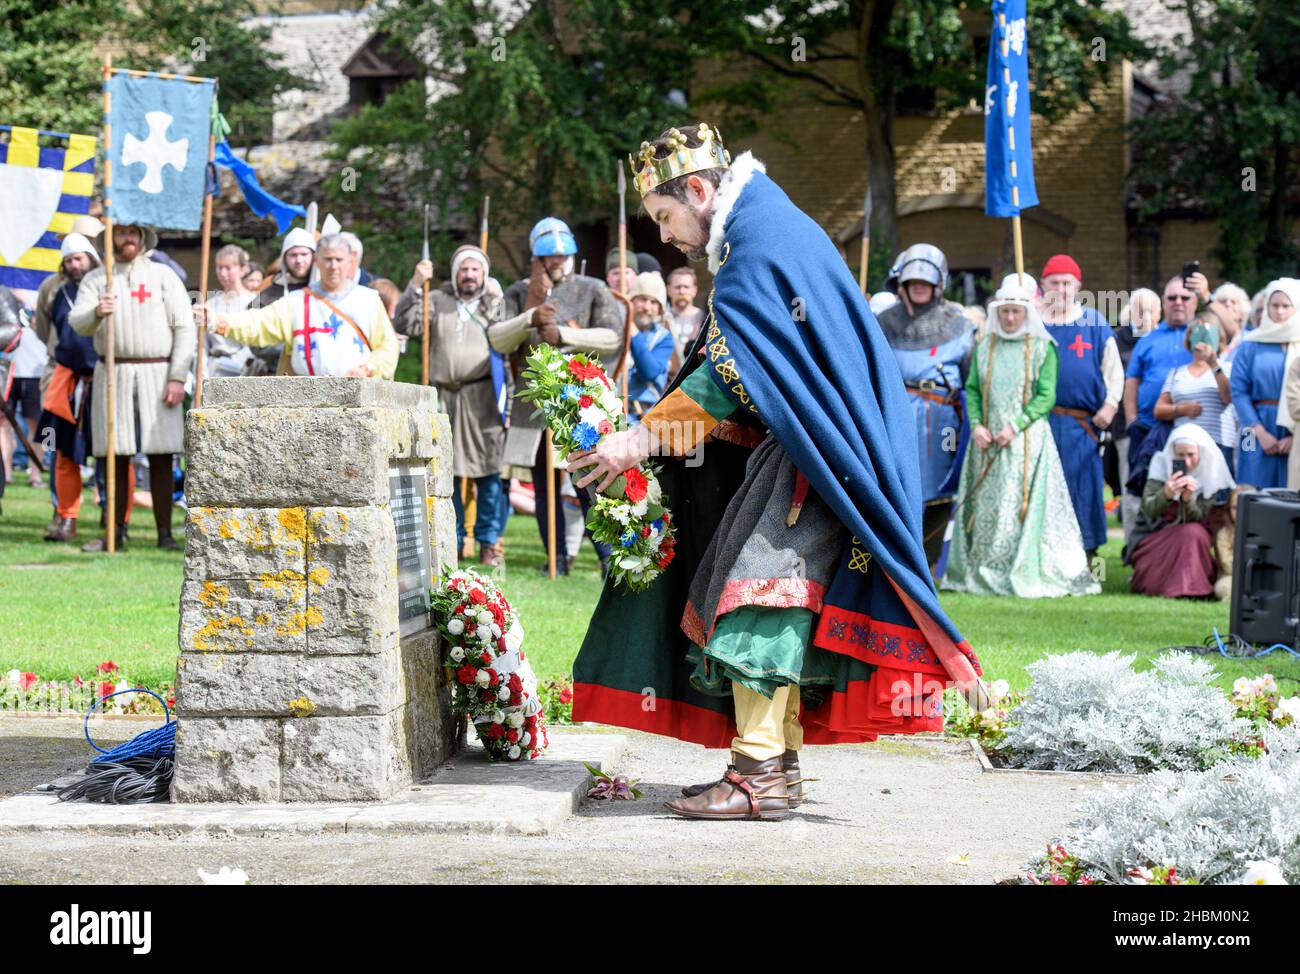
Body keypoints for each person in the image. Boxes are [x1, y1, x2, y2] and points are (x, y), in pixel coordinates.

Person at [567, 123, 987, 821]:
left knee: (758, 594)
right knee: (764, 592)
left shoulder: (759, 244)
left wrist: (634, 443)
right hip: (808, 451)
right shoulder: (762, 230)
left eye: (667, 217)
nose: (667, 237)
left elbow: (729, 377)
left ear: (699, 191)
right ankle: (774, 772)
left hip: (816, 459)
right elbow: (746, 369)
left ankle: (757, 775)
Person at [942, 279, 1098, 597]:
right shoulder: (986, 346)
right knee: (987, 505)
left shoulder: (1043, 347)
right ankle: (981, 567)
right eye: (1005, 312)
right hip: (986, 439)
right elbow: (972, 389)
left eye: (1016, 311)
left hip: (1025, 440)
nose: (1010, 318)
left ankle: (1019, 566)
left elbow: (1046, 395)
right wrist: (977, 424)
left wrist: (1016, 425)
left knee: (1019, 506)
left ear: (1026, 313)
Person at [492, 217, 625, 575]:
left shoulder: (593, 288)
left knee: (589, 482)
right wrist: (529, 319)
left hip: (580, 401)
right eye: (551, 257)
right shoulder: (519, 292)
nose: (559, 262)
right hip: (533, 404)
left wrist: (564, 334)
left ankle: (607, 556)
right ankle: (557, 558)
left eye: (564, 255)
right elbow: (497, 338)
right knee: (542, 484)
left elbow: (613, 336)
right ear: (538, 258)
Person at [69, 223, 195, 551]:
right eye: (121, 233)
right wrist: (98, 311)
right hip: (114, 371)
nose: (128, 238)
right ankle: (116, 531)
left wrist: (177, 376)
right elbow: (77, 322)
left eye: (133, 233)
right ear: (110, 239)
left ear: (142, 238)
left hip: (158, 370)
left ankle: (165, 533)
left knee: (161, 454)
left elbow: (184, 327)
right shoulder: (98, 279)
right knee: (115, 455)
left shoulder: (164, 276)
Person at [393, 244, 509, 566]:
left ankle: (488, 543)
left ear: (484, 275)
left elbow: (511, 344)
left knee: (488, 472)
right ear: (455, 273)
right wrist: (416, 284)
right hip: (444, 397)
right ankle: (453, 540)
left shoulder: (495, 305)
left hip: (483, 397)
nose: (469, 275)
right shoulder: (437, 300)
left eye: (475, 270)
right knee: (448, 472)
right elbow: (406, 324)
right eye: (463, 269)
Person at [875, 243, 973, 571]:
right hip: (897, 416)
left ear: (938, 285)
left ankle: (930, 564)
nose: (919, 287)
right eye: (912, 282)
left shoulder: (959, 325)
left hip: (942, 420)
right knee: (897, 487)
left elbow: (971, 377)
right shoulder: (881, 323)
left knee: (940, 490)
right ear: (900, 285)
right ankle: (897, 563)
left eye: (925, 282)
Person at [203, 233, 399, 381]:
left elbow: (388, 347)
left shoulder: (368, 300)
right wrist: (219, 321)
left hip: (357, 395)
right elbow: (258, 323)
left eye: (339, 259)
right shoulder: (296, 302)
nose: (333, 266)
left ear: (350, 262)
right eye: (327, 259)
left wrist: (367, 369)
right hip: (308, 397)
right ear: (317, 261)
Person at [1036, 255, 1123, 562]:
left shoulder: (1094, 322)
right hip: (1041, 420)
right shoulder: (1035, 324)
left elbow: (1113, 369)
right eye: (1054, 282)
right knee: (1045, 489)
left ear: (1078, 286)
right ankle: (1046, 557)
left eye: (1067, 283)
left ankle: (1086, 555)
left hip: (1082, 424)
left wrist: (1110, 406)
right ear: (1043, 285)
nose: (1060, 289)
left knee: (1083, 488)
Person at [31, 233, 100, 542]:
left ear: (91, 258)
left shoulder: (106, 288)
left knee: (112, 452)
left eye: (79, 258)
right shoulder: (56, 291)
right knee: (62, 453)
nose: (74, 264)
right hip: (65, 381)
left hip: (101, 380)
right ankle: (67, 518)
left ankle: (115, 520)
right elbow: (46, 331)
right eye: (69, 259)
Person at [1128, 422, 1234, 598]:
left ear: (1201, 452)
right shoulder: (1160, 467)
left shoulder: (1210, 475)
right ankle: (1172, 586)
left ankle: (1191, 587)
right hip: (1157, 536)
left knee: (1192, 533)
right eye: (1180, 455)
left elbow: (1199, 518)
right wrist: (1166, 494)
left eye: (1191, 454)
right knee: (1190, 534)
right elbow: (1148, 509)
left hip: (1194, 539)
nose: (1186, 461)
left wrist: (1188, 499)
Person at [1231, 278, 1299, 489]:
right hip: (1252, 427)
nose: (1279, 312)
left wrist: (1293, 435)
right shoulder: (1250, 344)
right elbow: (1238, 391)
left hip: (1294, 424)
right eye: (1274, 305)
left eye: (1286, 306)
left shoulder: (1298, 341)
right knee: (1250, 482)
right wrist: (1259, 432)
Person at [1154, 308, 1235, 473]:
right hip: (1184, 446)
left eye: (1207, 334)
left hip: (1217, 443)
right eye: (1196, 333)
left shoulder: (1227, 368)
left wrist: (1213, 364)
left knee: (1217, 496)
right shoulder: (1177, 372)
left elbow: (1228, 398)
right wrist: (1182, 409)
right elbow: (1159, 410)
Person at [1111, 287, 1161, 540]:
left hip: (1162, 428)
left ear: (1158, 314)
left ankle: (1159, 550)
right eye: (1139, 310)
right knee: (1132, 488)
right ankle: (1133, 548)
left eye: (1150, 310)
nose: (1144, 316)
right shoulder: (1117, 341)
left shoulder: (1164, 340)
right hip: (1128, 429)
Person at [1, 294, 48, 487]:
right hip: (8, 369)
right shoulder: (5, 295)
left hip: (37, 371)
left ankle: (37, 472)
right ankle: (6, 473)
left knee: (42, 428)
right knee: (3, 425)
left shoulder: (44, 293)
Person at [625, 271, 674, 420]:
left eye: (653, 302)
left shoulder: (663, 337)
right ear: (631, 300)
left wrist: (634, 334)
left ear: (659, 309)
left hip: (644, 415)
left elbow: (650, 371)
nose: (647, 307)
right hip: (613, 410)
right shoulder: (617, 328)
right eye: (642, 299)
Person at [204, 244, 258, 378]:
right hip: (215, 370)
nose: (223, 273)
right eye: (219, 268)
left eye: (228, 268)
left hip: (244, 369)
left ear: (242, 269)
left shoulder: (254, 301)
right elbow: (203, 346)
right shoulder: (210, 304)